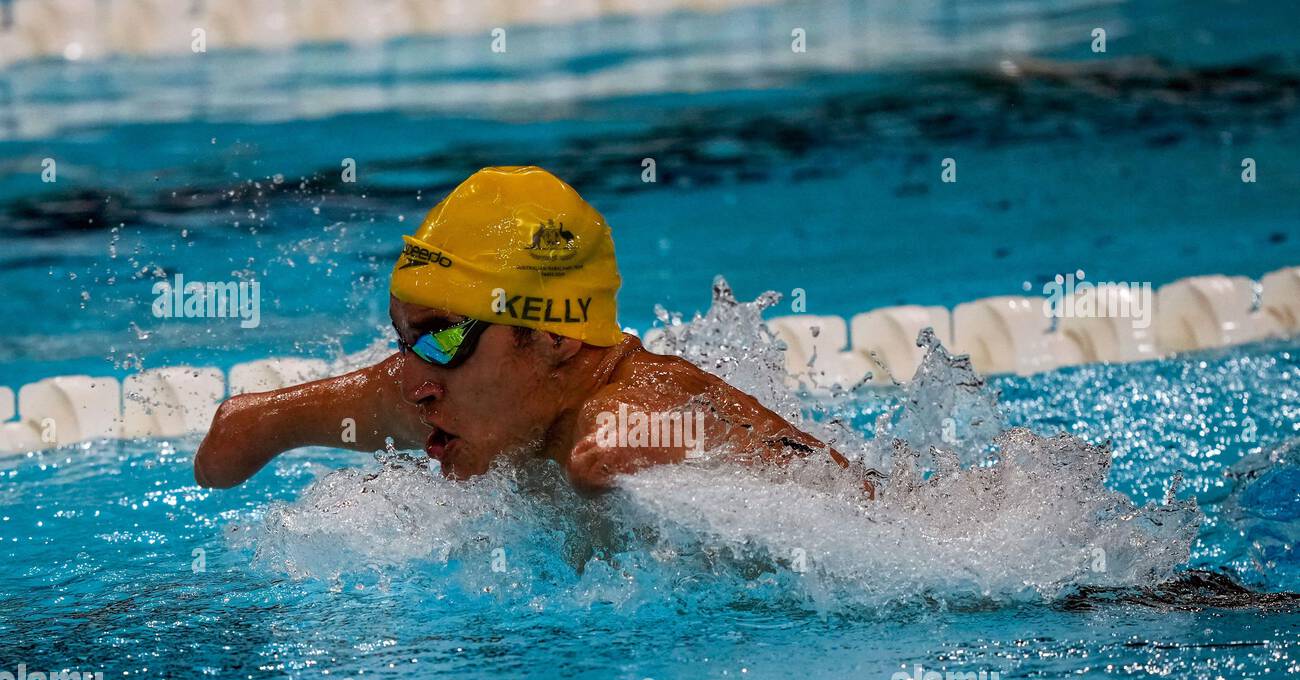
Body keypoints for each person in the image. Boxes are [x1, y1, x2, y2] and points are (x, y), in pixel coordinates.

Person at [195, 166, 870, 496]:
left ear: (556, 338)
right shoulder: (454, 397)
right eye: (403, 341)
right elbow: (235, 436)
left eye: (441, 337)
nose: (414, 381)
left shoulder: (640, 402)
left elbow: (649, 431)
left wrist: (624, 447)